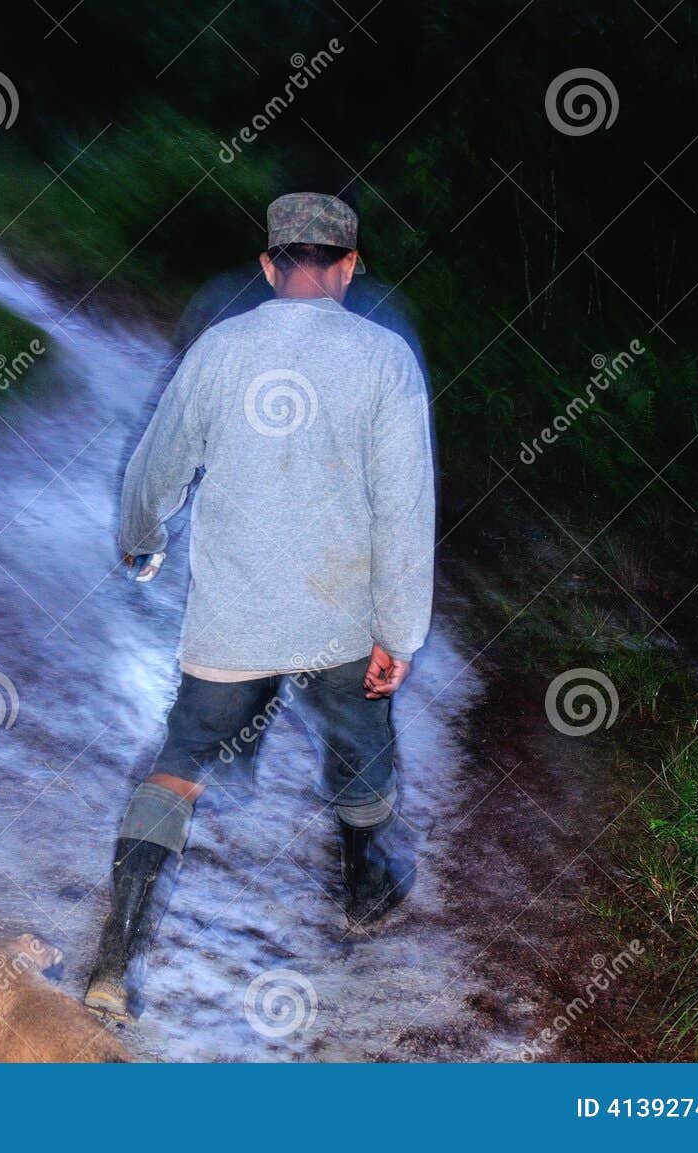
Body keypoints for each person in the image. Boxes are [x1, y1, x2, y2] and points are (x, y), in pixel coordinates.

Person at [83, 192, 437, 1020]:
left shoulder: (220, 347)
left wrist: (142, 536)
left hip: (230, 629)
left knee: (176, 769)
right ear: (349, 267)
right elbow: (404, 508)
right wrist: (400, 631)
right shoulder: (386, 359)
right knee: (360, 748)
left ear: (270, 266)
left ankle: (112, 964)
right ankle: (363, 892)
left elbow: (155, 465)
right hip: (341, 625)